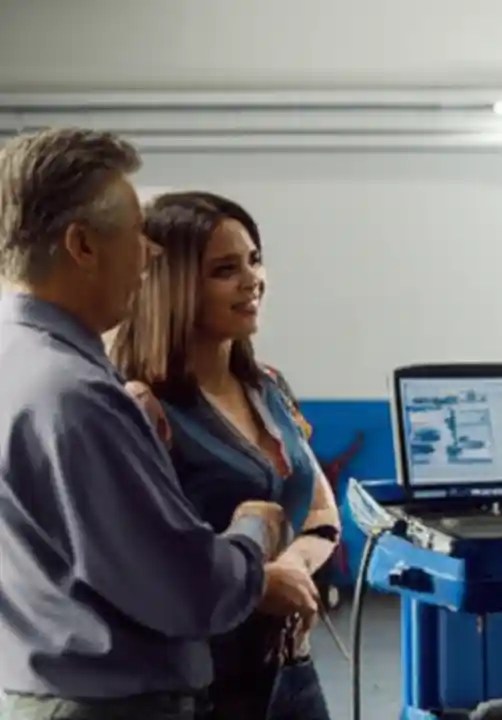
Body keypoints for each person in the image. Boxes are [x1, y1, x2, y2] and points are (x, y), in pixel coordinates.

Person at [0, 128, 302, 720]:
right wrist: (251, 529)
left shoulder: (22, 360)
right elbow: (190, 591)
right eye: (137, 234)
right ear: (82, 246)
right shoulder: (78, 396)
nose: (151, 253)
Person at [110, 190, 339, 720]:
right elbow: (143, 562)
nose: (252, 280)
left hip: (292, 673)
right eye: (225, 269)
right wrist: (257, 586)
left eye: (255, 260)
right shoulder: (141, 406)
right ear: (173, 284)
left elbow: (322, 514)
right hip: (201, 687)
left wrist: (291, 568)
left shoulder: (270, 389)